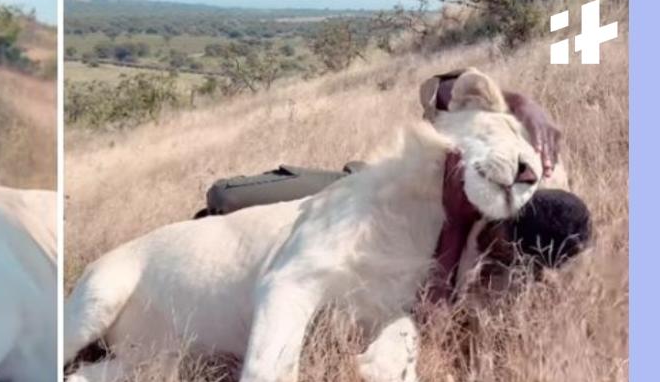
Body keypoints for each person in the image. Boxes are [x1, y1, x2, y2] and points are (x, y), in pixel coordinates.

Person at [192, 68, 590, 301]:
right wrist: (515, 100)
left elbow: (432, 311)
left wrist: (454, 234)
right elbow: (437, 89)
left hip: (376, 251)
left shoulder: (512, 284)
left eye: (499, 247)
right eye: (495, 229)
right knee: (225, 199)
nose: (489, 240)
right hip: (363, 193)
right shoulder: (524, 154)